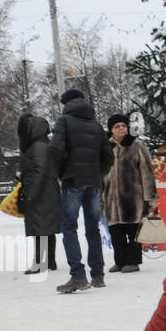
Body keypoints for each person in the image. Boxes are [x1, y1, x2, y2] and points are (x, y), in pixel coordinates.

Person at [49, 88, 114, 293]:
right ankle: (98, 274)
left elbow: (55, 150)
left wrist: (60, 173)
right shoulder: (95, 124)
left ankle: (77, 275)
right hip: (93, 182)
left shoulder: (64, 121)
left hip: (72, 180)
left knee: (69, 227)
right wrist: (98, 173)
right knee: (92, 228)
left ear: (66, 103)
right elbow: (108, 155)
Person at [103, 114, 158, 273]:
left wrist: (150, 198)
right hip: (111, 199)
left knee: (133, 231)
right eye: (117, 126)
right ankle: (119, 261)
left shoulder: (137, 145)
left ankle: (133, 261)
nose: (121, 128)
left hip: (133, 198)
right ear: (111, 129)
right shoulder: (105, 147)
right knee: (116, 232)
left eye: (123, 125)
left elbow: (147, 172)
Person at [17, 114, 61, 275]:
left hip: (41, 193)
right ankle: (50, 261)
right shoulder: (42, 144)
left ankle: (39, 262)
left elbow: (40, 171)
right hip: (47, 192)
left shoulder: (37, 146)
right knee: (46, 227)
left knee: (40, 228)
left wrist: (31, 193)